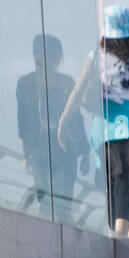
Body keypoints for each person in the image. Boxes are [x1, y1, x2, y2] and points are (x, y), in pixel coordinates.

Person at [57, 7, 129, 238]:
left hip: (104, 130)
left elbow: (79, 89)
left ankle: (115, 239)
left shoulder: (97, 55)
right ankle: (122, 244)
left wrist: (63, 119)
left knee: (115, 187)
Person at [16, 35, 83, 223]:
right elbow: (23, 122)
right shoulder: (28, 83)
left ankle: (52, 247)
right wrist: (25, 155)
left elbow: (23, 122)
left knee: (54, 206)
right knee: (52, 205)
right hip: (48, 151)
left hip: (55, 151)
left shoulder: (63, 82)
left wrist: (25, 155)